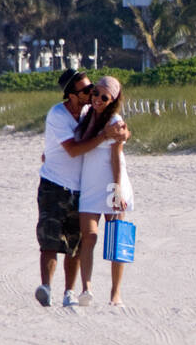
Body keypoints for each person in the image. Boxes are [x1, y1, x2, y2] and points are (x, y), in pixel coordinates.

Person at [35, 69, 127, 307]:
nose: (92, 94)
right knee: (52, 238)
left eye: (94, 91)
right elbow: (74, 150)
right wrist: (106, 135)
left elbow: (117, 135)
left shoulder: (90, 112)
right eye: (88, 91)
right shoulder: (59, 114)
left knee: (81, 243)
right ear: (72, 95)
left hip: (87, 187)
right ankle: (47, 287)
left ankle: (74, 292)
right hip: (58, 185)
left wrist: (122, 134)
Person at [75, 76, 134, 307]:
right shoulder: (85, 115)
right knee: (89, 236)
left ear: (113, 100)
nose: (97, 99)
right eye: (95, 93)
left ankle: (115, 293)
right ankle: (86, 289)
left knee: (117, 238)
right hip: (90, 186)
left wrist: (118, 189)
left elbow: (116, 157)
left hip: (112, 185)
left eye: (104, 97)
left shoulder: (115, 121)